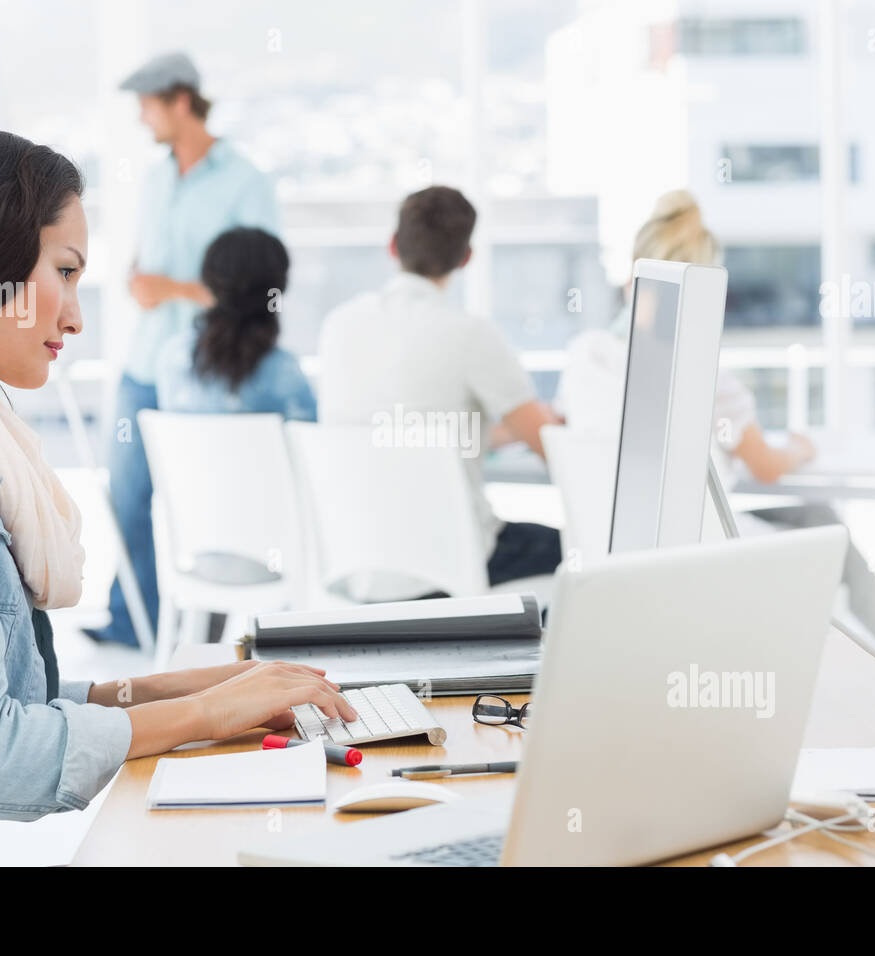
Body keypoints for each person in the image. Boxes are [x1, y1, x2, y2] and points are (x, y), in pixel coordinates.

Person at [0, 130, 354, 866]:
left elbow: (2, 699)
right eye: (67, 272)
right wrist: (204, 713)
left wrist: (202, 687)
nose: (77, 318)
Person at [557, 189, 875, 708]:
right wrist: (800, 448)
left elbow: (576, 434)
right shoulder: (702, 373)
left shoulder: (584, 359)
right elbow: (765, 466)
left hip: (616, 554)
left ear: (633, 275)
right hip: (696, 554)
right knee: (829, 532)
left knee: (812, 515)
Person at [90, 51, 281, 648]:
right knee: (126, 495)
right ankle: (135, 623)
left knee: (211, 499)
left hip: (210, 369)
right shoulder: (153, 178)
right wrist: (139, 279)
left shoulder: (245, 181)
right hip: (148, 359)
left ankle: (213, 625)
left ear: (180, 101)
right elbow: (150, 261)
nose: (142, 118)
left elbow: (257, 287)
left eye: (147, 106)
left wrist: (170, 288)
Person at [319, 185, 563, 599]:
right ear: (466, 258)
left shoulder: (339, 326)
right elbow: (550, 446)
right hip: (451, 569)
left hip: (357, 567)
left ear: (392, 246)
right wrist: (556, 423)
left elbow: (410, 432)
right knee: (583, 548)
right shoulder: (469, 334)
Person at [154, 227, 314, 421]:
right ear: (277, 291)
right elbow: (311, 439)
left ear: (208, 284)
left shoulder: (173, 358)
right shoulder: (283, 371)